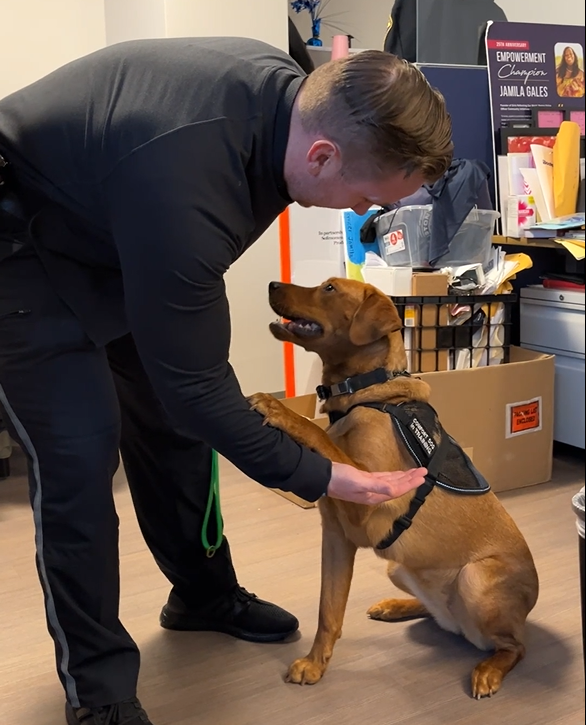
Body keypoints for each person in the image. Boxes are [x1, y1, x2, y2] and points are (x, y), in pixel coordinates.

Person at [0, 38, 452, 725]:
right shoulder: (185, 179)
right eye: (364, 197)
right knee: (80, 458)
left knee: (173, 426)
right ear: (324, 156)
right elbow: (202, 390)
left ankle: (201, 595)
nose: (361, 214)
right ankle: (99, 693)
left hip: (110, 233)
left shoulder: (291, 111)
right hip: (17, 245)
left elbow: (190, 389)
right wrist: (330, 476)